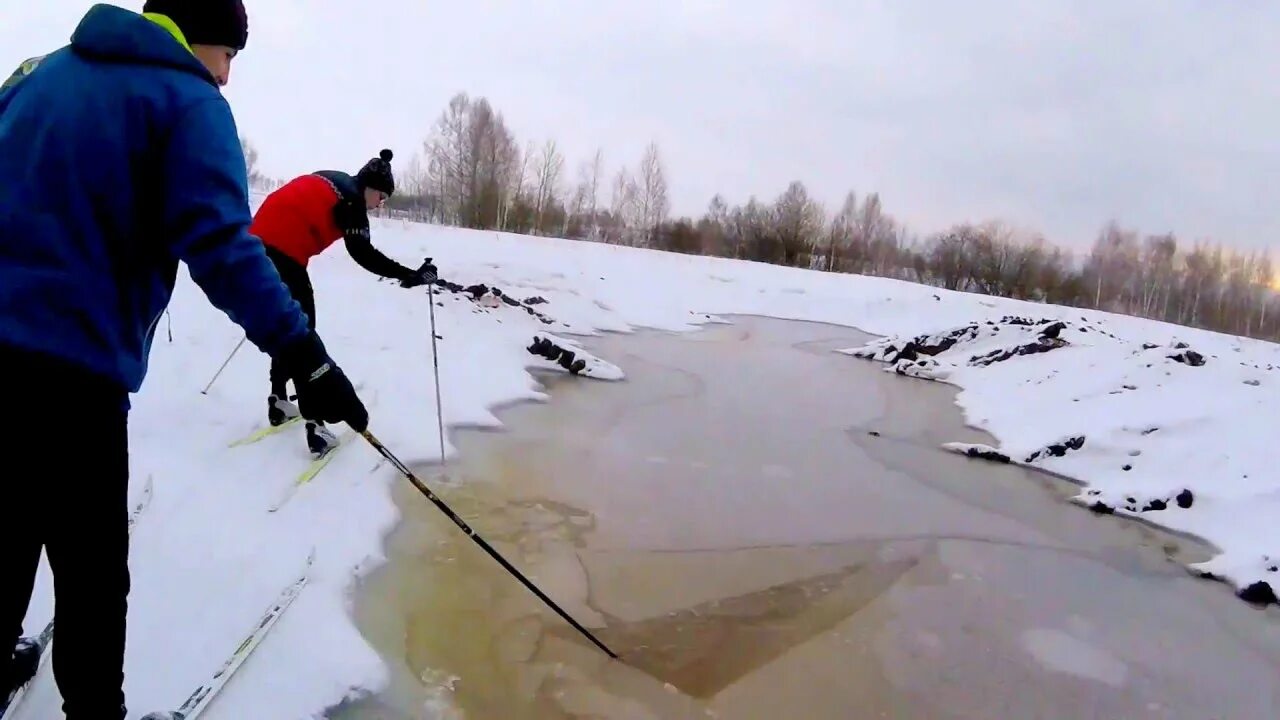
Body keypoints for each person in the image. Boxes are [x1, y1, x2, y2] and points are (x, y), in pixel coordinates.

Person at [0, 2, 369, 718]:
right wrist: (305, 354)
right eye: (228, 53)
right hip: (75, 380)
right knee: (93, 576)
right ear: (196, 38)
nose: (228, 75)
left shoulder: (36, 75)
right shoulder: (185, 100)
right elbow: (225, 250)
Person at [249, 152, 437, 455]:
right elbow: (365, 255)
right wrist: (411, 274)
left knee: (285, 327)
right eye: (382, 198)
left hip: (254, 243)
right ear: (371, 189)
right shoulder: (352, 203)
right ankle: (316, 424)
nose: (379, 205)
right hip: (283, 252)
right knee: (303, 335)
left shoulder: (333, 178)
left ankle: (279, 401)